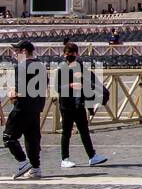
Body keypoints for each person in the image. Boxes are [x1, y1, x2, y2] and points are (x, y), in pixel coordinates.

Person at [54, 40, 108, 169]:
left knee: (84, 131)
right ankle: (65, 158)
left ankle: (92, 156)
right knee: (66, 132)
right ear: (64, 54)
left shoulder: (80, 68)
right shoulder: (61, 68)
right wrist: (71, 85)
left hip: (79, 104)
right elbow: (57, 87)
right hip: (66, 105)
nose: (71, 55)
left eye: (73, 53)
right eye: (69, 53)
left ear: (77, 54)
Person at [3, 40, 45, 179]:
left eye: (17, 51)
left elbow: (17, 91)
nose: (14, 54)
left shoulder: (21, 67)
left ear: (24, 52)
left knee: (9, 137)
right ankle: (36, 168)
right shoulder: (41, 66)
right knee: (32, 139)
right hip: (36, 107)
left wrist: (11, 94)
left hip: (22, 107)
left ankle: (23, 162)